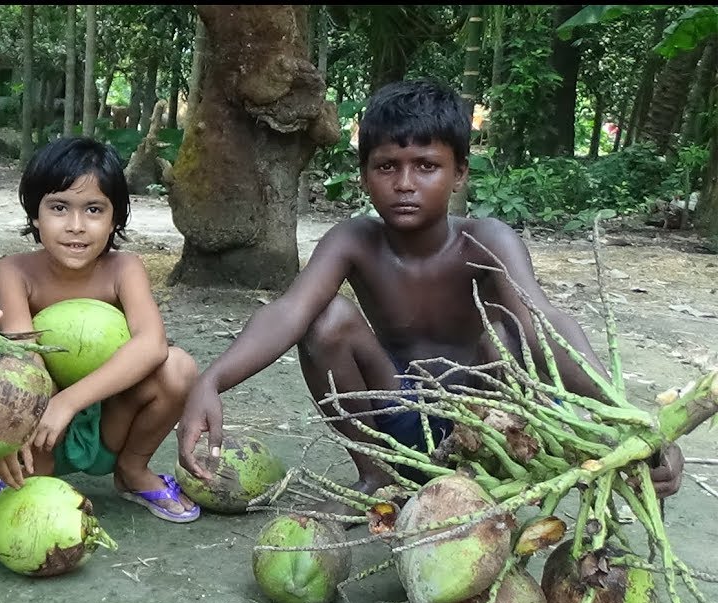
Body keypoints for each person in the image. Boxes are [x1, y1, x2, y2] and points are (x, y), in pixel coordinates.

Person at [175, 78, 684, 508]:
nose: (404, 183)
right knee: (325, 320)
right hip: (394, 412)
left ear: (459, 173)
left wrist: (634, 424)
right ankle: (378, 477)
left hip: (483, 423)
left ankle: (481, 491)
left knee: (510, 332)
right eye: (386, 166)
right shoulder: (354, 240)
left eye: (426, 166)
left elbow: (544, 328)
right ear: (365, 175)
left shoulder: (486, 240)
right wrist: (212, 380)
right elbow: (289, 312)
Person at [0, 136, 201, 523]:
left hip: (111, 415)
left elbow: (152, 344)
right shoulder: (15, 271)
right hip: (42, 420)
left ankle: (132, 469)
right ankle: (21, 474)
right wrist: (51, 405)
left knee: (179, 367)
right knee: (0, 377)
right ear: (35, 214)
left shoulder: (124, 269)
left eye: (93, 209)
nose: (76, 226)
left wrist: (70, 402)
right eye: (59, 208)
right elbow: (24, 360)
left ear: (114, 220)